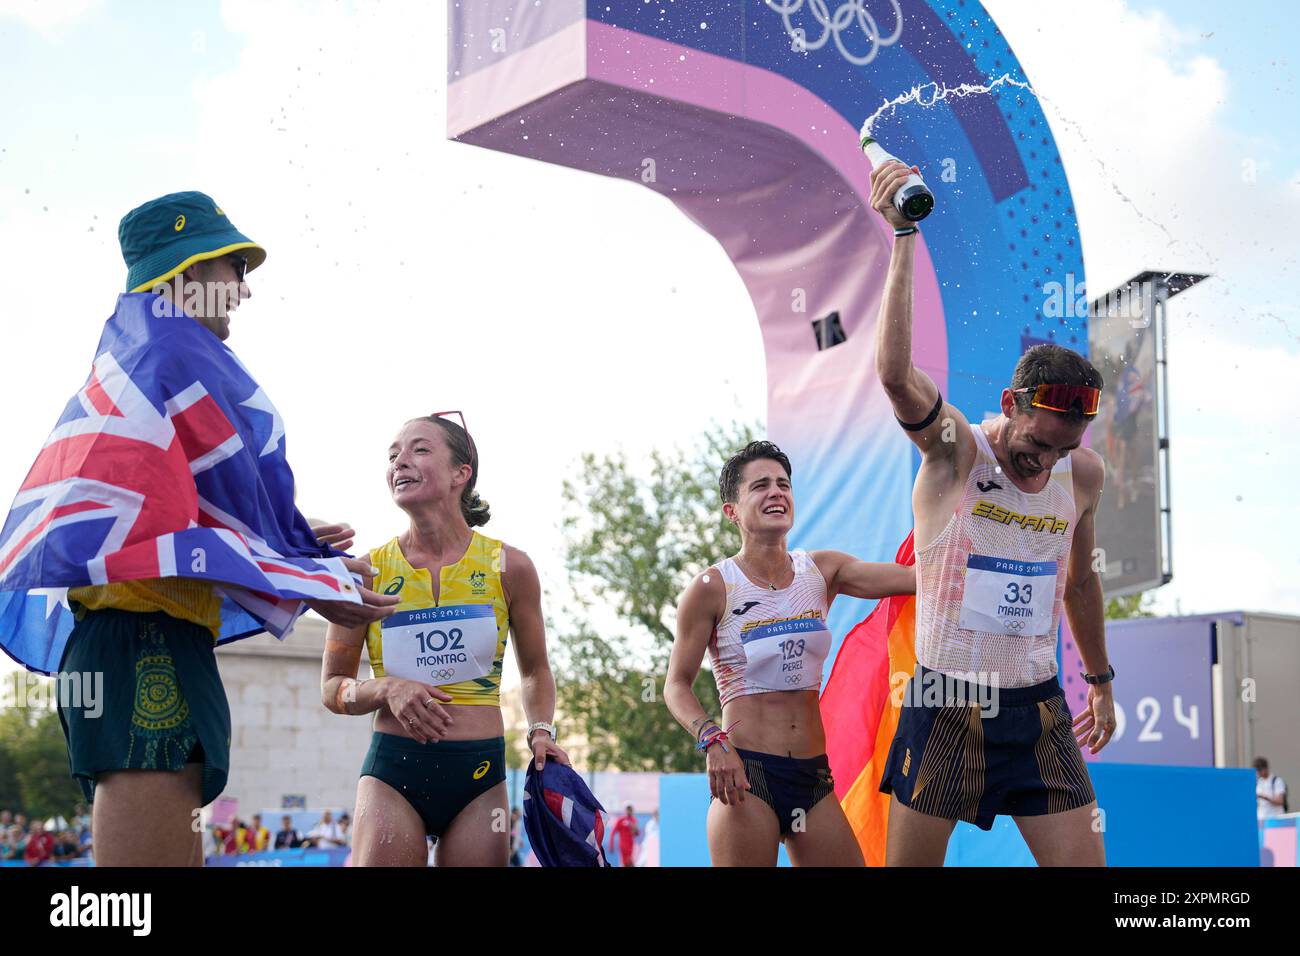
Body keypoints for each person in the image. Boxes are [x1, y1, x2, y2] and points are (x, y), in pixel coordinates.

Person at [0, 192, 400, 867]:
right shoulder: (163, 361)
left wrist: (288, 539)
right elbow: (158, 525)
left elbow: (177, 503)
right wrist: (303, 574)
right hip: (141, 641)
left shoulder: (147, 362)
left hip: (153, 640)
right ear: (183, 275)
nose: (243, 290)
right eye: (232, 268)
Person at [868, 159, 1115, 866]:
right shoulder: (955, 452)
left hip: (1037, 707)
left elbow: (1080, 582)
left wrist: (1098, 680)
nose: (1046, 464)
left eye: (1062, 451)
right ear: (1010, 407)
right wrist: (906, 235)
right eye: (1037, 444)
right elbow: (893, 374)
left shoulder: (1083, 473)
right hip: (945, 699)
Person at [321, 412, 570, 866]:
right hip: (394, 771)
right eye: (392, 455)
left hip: (479, 774)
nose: (400, 462)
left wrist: (541, 731)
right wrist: (386, 688)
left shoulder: (509, 566)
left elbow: (535, 670)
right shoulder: (363, 572)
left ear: (462, 473)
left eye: (419, 449)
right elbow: (334, 688)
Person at [666, 441, 916, 866]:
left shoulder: (822, 570)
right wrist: (712, 741)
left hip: (813, 778)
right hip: (745, 776)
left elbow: (917, 580)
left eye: (783, 484)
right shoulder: (711, 588)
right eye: (760, 485)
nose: (776, 492)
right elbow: (675, 686)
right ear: (732, 511)